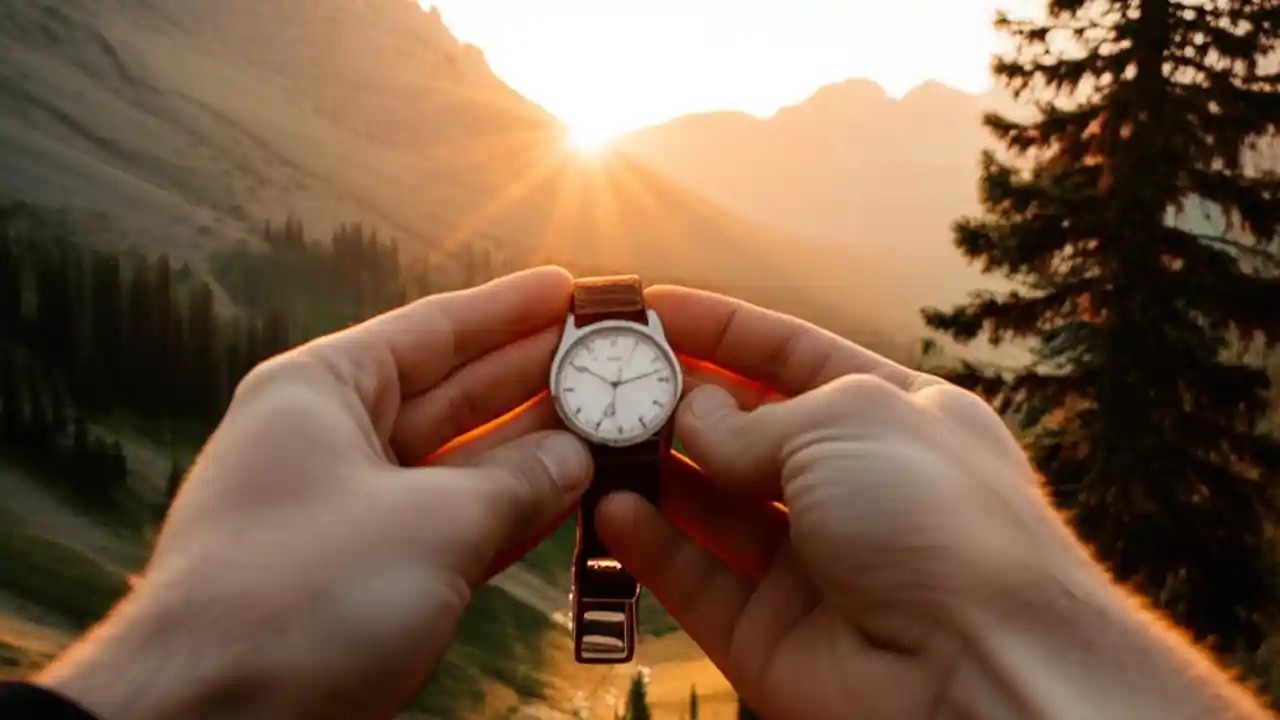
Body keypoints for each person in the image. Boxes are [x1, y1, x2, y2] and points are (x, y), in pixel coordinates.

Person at [0, 267, 1268, 719]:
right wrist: (1011, 644)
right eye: (594, 387)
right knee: (613, 509)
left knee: (612, 511)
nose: (605, 404)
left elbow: (616, 413)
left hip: (643, 457)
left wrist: (175, 674)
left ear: (656, 380)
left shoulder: (622, 391)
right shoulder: (619, 394)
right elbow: (611, 419)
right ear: (574, 379)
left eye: (627, 385)